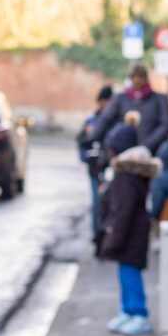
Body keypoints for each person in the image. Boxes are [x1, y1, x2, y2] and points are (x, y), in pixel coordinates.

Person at [96, 111, 161, 336]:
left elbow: (122, 211)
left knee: (130, 273)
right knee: (125, 271)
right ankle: (128, 310)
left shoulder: (125, 175)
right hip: (133, 230)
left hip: (129, 232)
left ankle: (139, 314)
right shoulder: (131, 172)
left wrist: (113, 238)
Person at [90, 64, 168, 155]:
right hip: (122, 150)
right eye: (134, 77)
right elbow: (105, 119)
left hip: (151, 150)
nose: (137, 81)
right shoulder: (120, 99)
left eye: (140, 77)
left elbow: (165, 124)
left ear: (145, 79)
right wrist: (93, 138)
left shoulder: (159, 100)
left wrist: (147, 144)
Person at [77, 84, 115, 235]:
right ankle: (97, 236)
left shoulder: (114, 120)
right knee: (97, 203)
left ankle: (106, 235)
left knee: (110, 203)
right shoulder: (93, 120)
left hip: (110, 167)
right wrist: (87, 158)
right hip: (96, 167)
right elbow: (82, 141)